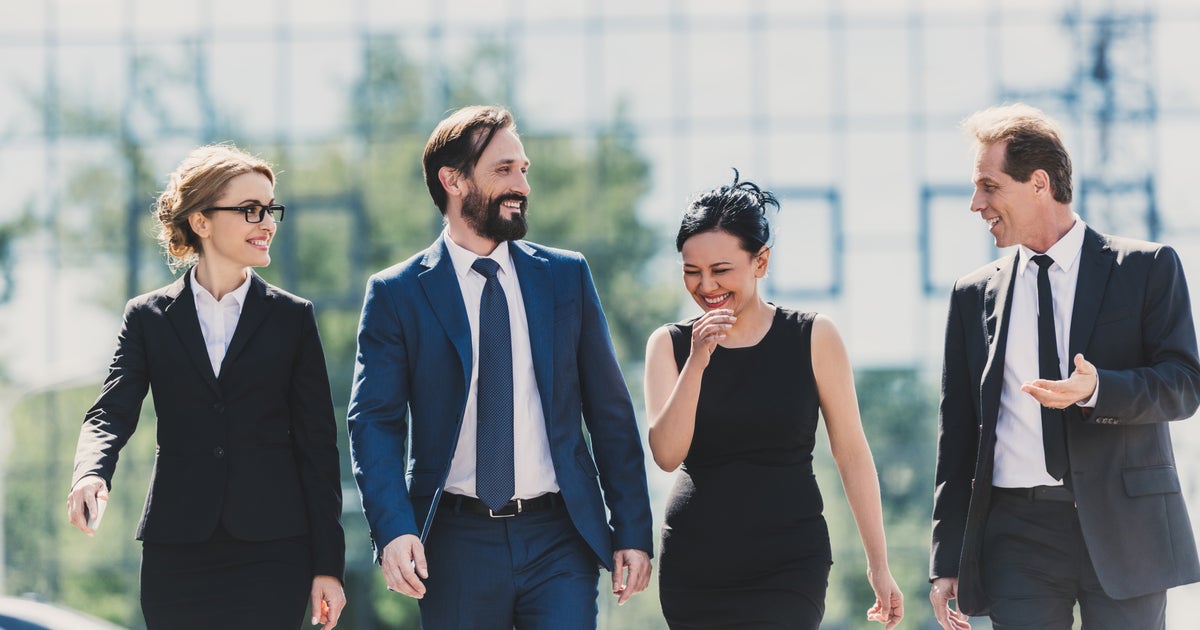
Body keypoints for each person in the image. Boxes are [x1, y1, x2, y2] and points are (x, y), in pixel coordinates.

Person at [346, 105, 654, 628]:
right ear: (453, 180)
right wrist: (394, 528)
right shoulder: (397, 293)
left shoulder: (566, 277)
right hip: (454, 542)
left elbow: (610, 413)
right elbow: (374, 421)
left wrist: (632, 531)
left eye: (523, 169)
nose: (522, 185)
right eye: (503, 170)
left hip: (560, 536)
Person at [929, 103, 1200, 630]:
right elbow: (958, 434)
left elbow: (1185, 386)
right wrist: (947, 561)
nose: (975, 204)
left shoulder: (1146, 268)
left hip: (1127, 530)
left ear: (1037, 183)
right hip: (1017, 535)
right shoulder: (971, 295)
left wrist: (1099, 390)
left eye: (988, 186)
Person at [66, 144, 346, 630]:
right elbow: (111, 410)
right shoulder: (147, 317)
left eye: (270, 209)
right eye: (250, 210)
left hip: (274, 551)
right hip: (177, 550)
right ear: (201, 221)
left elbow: (317, 448)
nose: (268, 223)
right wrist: (91, 472)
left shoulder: (292, 318)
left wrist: (328, 566)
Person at [644, 172, 904, 629]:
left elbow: (852, 454)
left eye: (721, 270)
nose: (706, 286)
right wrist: (698, 363)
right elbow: (667, 455)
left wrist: (878, 566)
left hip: (789, 561)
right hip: (696, 564)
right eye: (692, 272)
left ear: (760, 262)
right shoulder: (668, 345)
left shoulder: (813, 335)